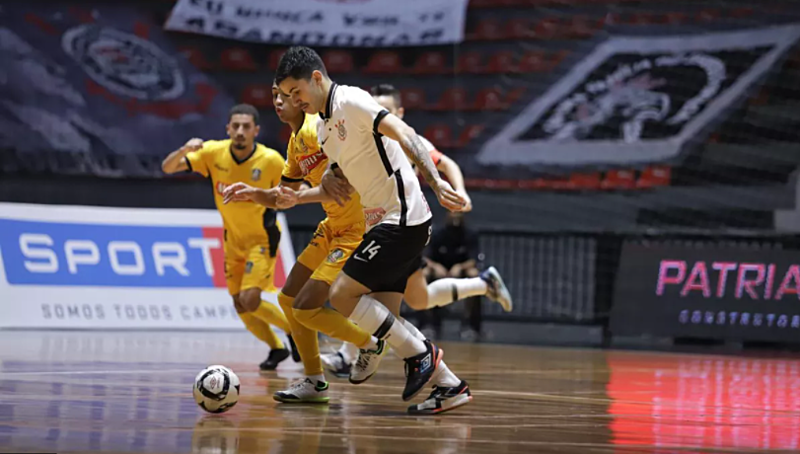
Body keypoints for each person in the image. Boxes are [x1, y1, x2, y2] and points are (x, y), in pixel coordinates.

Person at [225, 46, 470, 414]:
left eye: (296, 93)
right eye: (284, 95)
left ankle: (422, 354)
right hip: (379, 221)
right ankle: (451, 386)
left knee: (342, 296)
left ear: (317, 79)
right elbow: (332, 188)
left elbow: (403, 131)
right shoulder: (323, 130)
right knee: (391, 318)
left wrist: (435, 182)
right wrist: (268, 194)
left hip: (401, 216)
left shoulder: (353, 100)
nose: (292, 100)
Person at [319, 84, 513, 372]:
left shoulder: (407, 139)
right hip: (382, 225)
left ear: (398, 112)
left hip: (401, 226)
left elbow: (446, 164)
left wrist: (461, 191)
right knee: (418, 299)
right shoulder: (363, 137)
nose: (377, 111)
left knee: (359, 292)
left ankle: (350, 356)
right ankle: (483, 284)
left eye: (385, 107)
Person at [253, 82, 373, 404]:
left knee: (306, 307)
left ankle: (370, 343)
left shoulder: (315, 128)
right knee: (287, 298)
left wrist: (329, 177)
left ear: (298, 99)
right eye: (273, 95)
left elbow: (341, 181)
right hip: (331, 226)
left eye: (284, 95)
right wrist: (253, 194)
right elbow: (285, 197)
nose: (278, 101)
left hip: (355, 230)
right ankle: (314, 381)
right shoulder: (295, 144)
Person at [161, 104, 298, 371]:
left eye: (246, 127)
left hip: (262, 238)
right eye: (235, 126)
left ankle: (295, 331)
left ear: (256, 131)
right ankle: (277, 348)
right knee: (239, 304)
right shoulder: (213, 153)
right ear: (227, 129)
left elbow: (292, 193)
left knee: (250, 299)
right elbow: (168, 168)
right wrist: (184, 150)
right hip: (232, 241)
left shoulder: (271, 160)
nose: (240, 131)